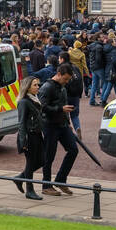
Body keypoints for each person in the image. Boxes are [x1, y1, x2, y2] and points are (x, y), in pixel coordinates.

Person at [38, 63, 79, 196]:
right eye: (65, 79)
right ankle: (46, 185)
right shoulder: (47, 87)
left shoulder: (62, 87)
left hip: (62, 124)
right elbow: (41, 107)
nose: (66, 82)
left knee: (73, 150)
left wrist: (68, 122)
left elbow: (64, 105)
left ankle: (60, 180)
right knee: (49, 156)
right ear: (59, 74)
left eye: (68, 79)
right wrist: (60, 109)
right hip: (50, 125)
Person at [12, 76, 45, 200]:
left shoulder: (35, 100)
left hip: (37, 134)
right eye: (35, 85)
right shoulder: (24, 102)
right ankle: (29, 191)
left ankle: (20, 178)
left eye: (38, 85)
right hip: (29, 136)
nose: (38, 87)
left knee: (42, 160)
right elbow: (21, 123)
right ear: (27, 87)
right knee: (31, 163)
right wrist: (23, 140)